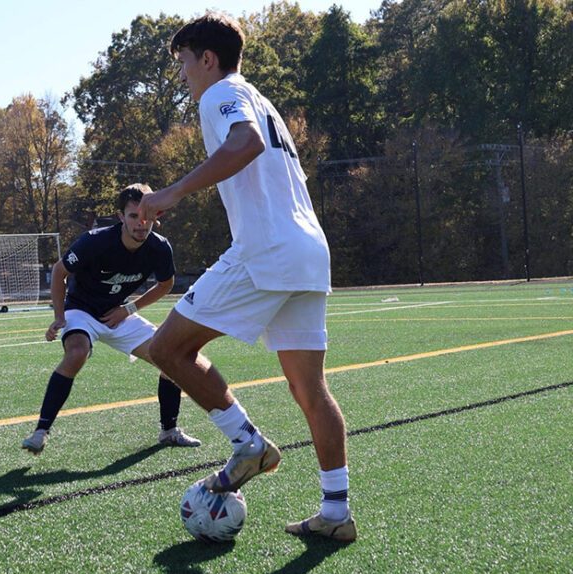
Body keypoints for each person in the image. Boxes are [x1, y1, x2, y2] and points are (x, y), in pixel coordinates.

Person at [137, 13, 356, 541]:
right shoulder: (260, 96)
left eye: (185, 62)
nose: (184, 74)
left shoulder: (220, 95)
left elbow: (246, 143)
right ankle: (336, 511)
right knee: (310, 388)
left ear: (207, 58)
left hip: (267, 251)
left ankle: (247, 443)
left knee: (166, 350)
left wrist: (169, 194)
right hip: (308, 250)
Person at [22, 184, 201, 455]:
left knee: (171, 357)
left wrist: (128, 309)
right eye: (133, 216)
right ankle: (41, 432)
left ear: (155, 216)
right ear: (121, 217)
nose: (141, 224)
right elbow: (60, 271)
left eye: (146, 217)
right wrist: (59, 317)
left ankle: (169, 431)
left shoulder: (159, 247)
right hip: (82, 310)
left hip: (118, 314)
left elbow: (166, 284)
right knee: (78, 351)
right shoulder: (95, 241)